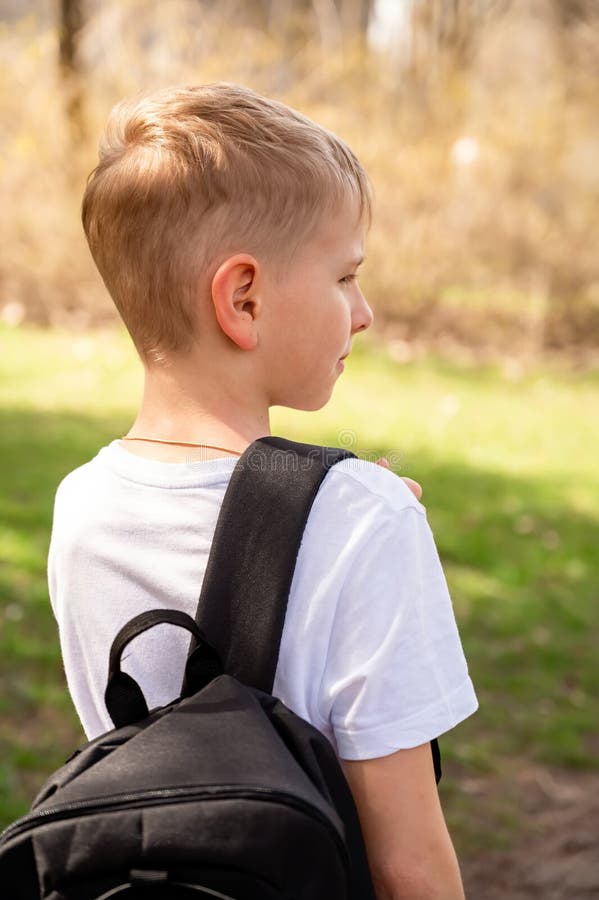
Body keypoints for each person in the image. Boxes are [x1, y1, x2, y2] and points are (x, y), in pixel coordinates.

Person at [48, 83, 478, 899]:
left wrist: (344, 510)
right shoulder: (362, 520)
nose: (365, 313)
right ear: (243, 298)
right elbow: (408, 865)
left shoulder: (81, 506)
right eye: (345, 276)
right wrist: (359, 521)